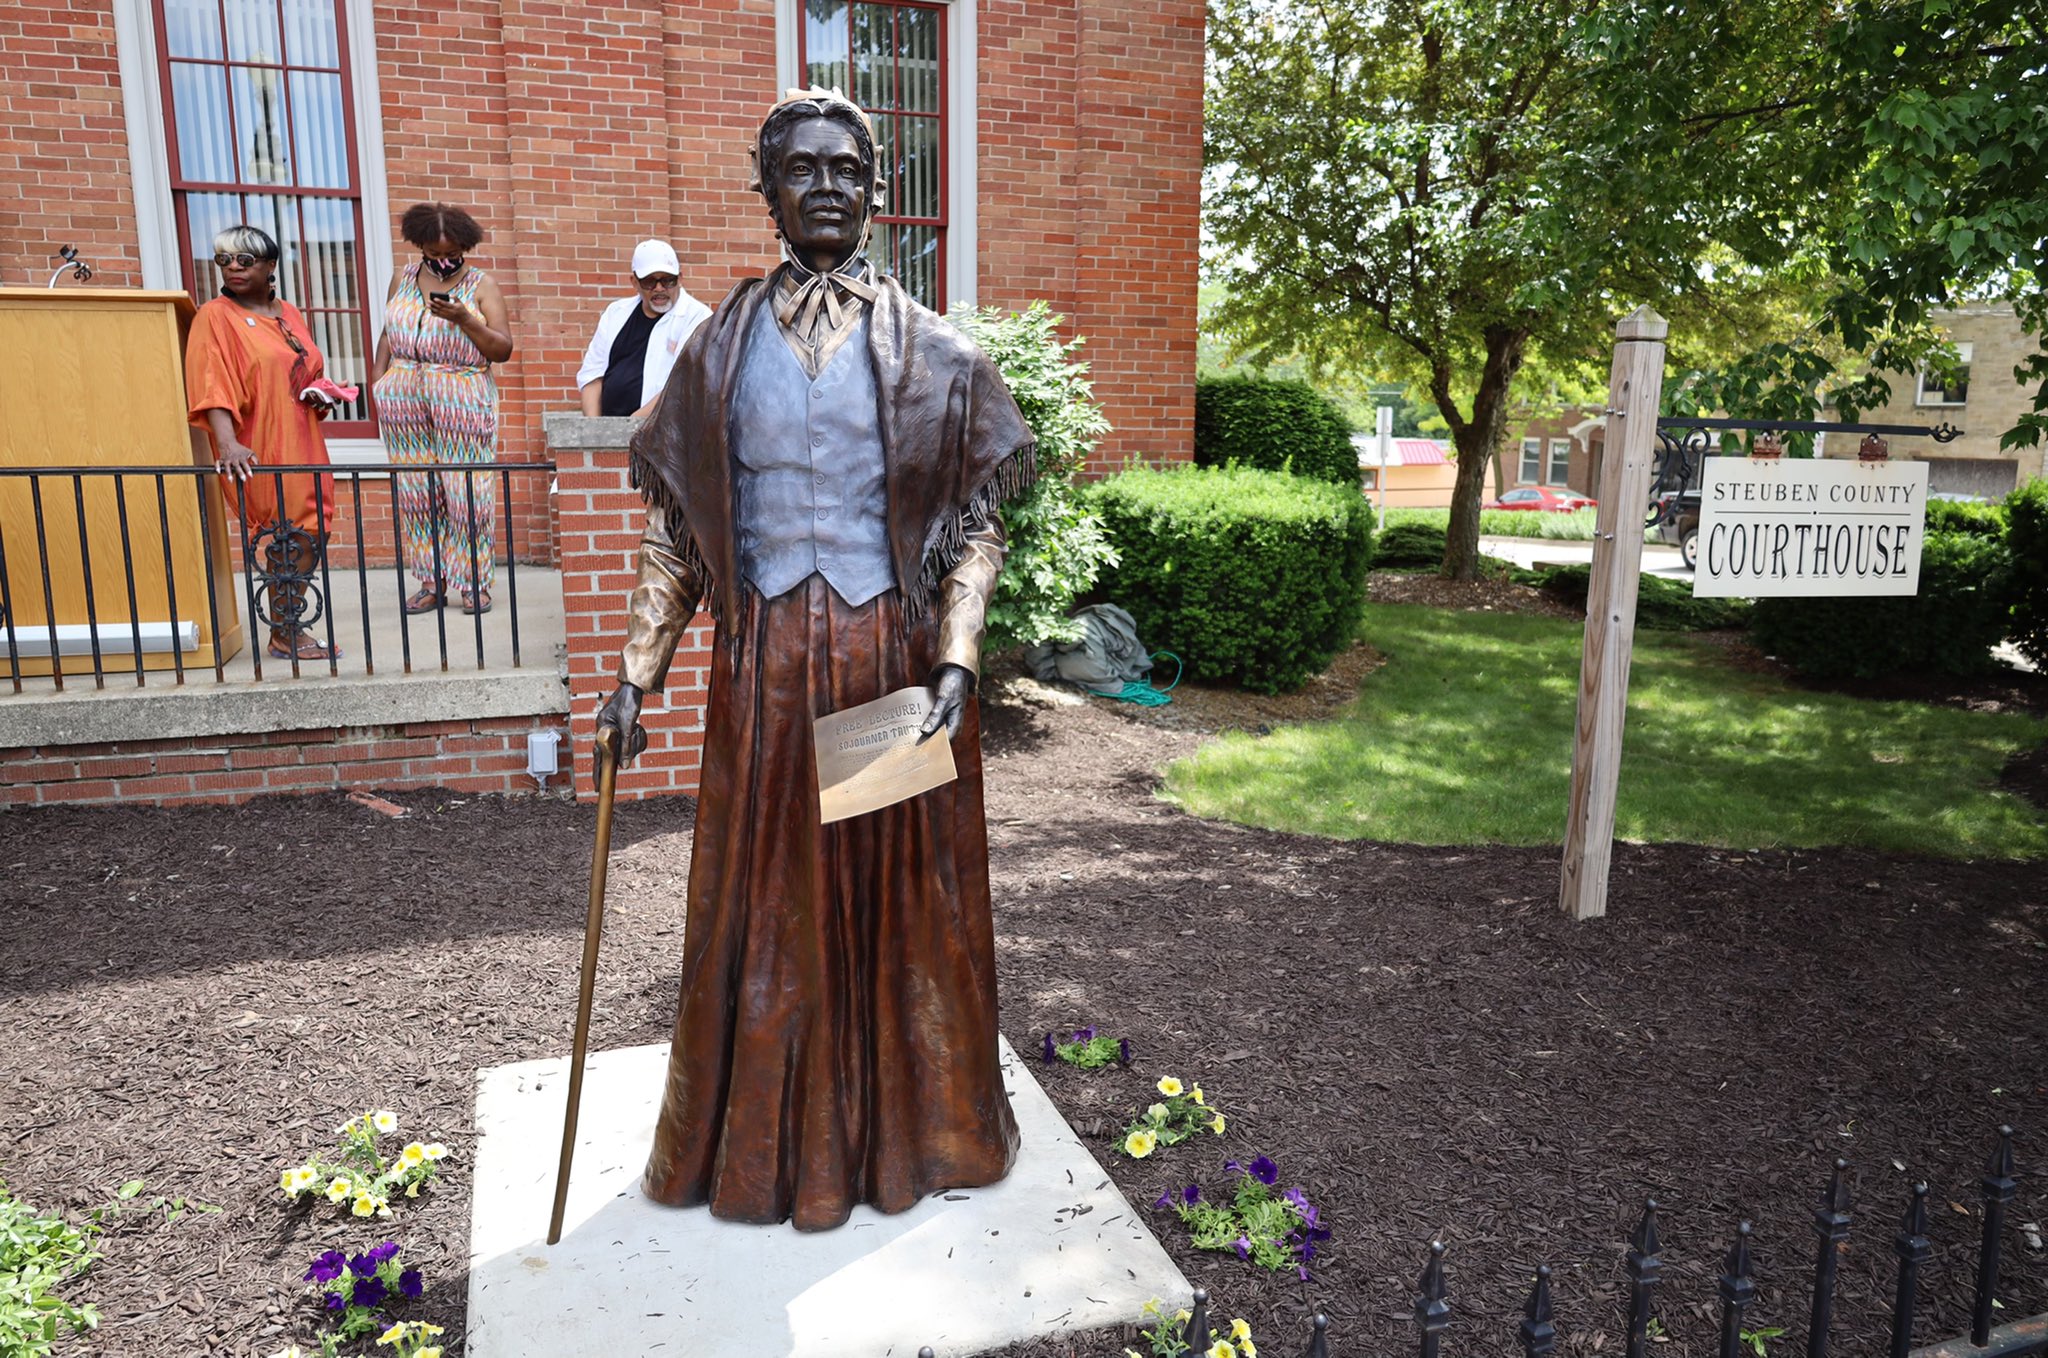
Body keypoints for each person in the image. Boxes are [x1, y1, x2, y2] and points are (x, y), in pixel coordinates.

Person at [596, 88, 1036, 1231]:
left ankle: (898, 1140)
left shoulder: (935, 352)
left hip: (886, 660)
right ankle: (769, 1150)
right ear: (767, 192)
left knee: (890, 899)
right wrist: (635, 674)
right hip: (764, 673)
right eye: (802, 170)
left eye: (847, 167)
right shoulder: (714, 347)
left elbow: (975, 528)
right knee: (770, 908)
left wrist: (956, 655)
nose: (827, 186)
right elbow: (678, 535)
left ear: (877, 187)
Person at [184, 224, 342, 662]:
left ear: (270, 266)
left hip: (304, 435)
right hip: (260, 441)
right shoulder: (215, 316)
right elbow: (211, 381)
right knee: (284, 535)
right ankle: (286, 632)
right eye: (224, 259)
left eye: (245, 259)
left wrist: (323, 391)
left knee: (312, 529)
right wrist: (228, 443)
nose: (233, 267)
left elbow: (300, 369)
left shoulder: (288, 312)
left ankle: (290, 626)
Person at [369, 202, 514, 617]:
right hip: (403, 397)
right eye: (432, 253)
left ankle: (472, 582)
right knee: (416, 491)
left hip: (461, 394)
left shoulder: (481, 285)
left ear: (465, 246)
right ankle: (431, 581)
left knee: (466, 491)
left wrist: (465, 319)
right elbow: (387, 330)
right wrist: (378, 380)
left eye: (450, 252)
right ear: (420, 246)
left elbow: (502, 349)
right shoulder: (405, 276)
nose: (441, 260)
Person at [577, 239, 711, 419]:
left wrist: (629, 429)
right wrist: (595, 432)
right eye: (649, 281)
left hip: (665, 439)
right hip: (610, 437)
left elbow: (682, 383)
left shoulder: (698, 317)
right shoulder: (615, 313)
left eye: (668, 280)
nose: (659, 288)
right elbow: (592, 375)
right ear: (634, 282)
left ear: (680, 278)